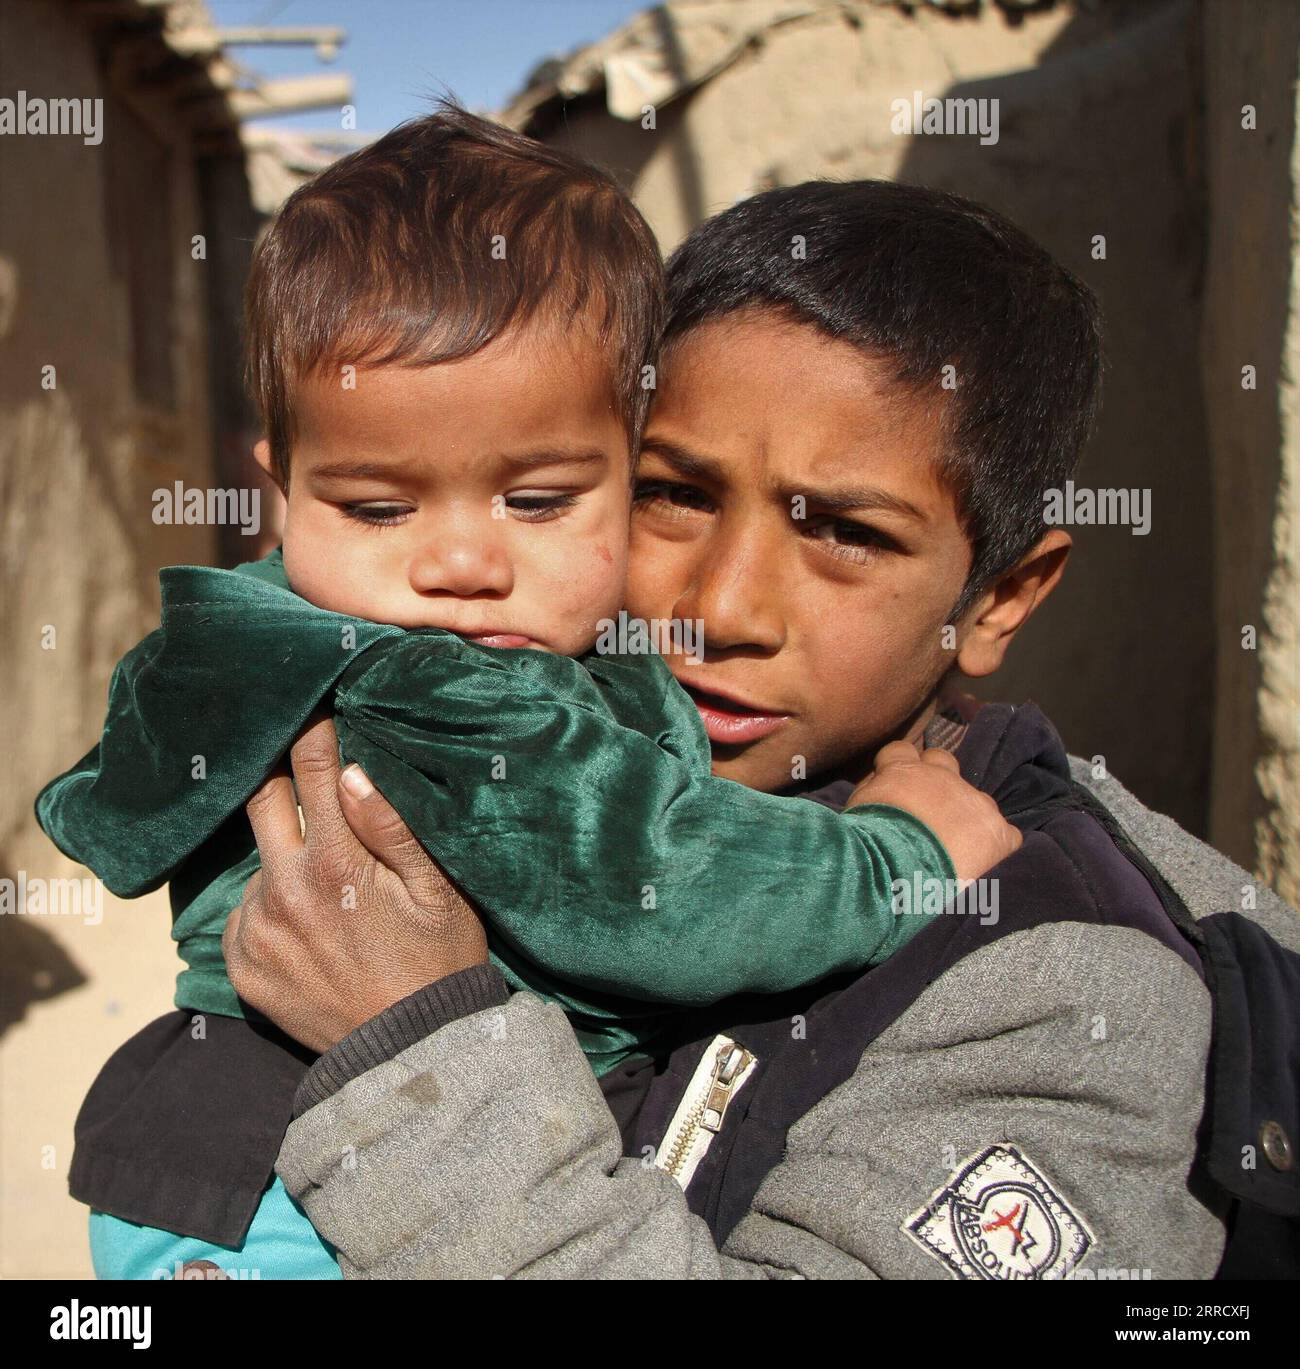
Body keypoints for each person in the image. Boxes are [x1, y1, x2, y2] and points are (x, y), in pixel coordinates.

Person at [233, 180, 1300, 1280]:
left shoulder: (1058, 984)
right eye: (672, 494)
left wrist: (413, 1048)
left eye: (844, 532)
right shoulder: (532, 749)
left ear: (999, 600)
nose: (725, 608)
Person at [42, 113, 1014, 1280]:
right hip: (304, 1192)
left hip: (211, 1145)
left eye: (539, 503)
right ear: (281, 494)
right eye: (380, 509)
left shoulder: (243, 637)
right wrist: (895, 855)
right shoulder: (441, 688)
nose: (462, 564)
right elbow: (662, 882)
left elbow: (103, 805)